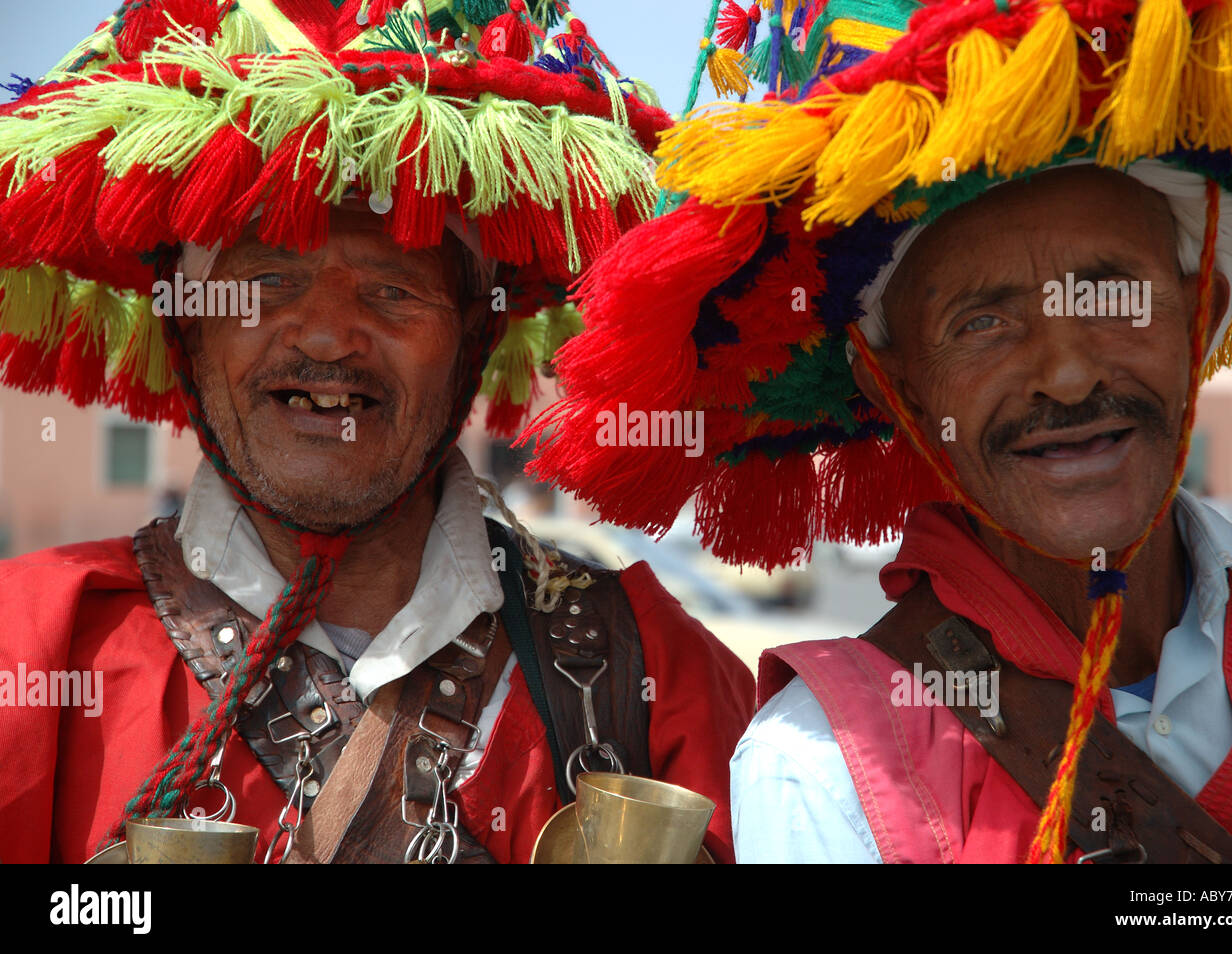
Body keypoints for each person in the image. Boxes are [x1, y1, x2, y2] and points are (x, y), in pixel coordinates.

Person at [527, 0, 1232, 863]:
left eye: (1114, 296)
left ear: (1206, 318)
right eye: (983, 324)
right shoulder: (823, 767)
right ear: (895, 386)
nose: (1070, 373)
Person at [0, 0, 753, 865]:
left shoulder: (655, 670)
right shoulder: (32, 649)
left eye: (394, 290)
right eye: (269, 280)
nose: (325, 336)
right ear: (188, 328)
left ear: (478, 336)